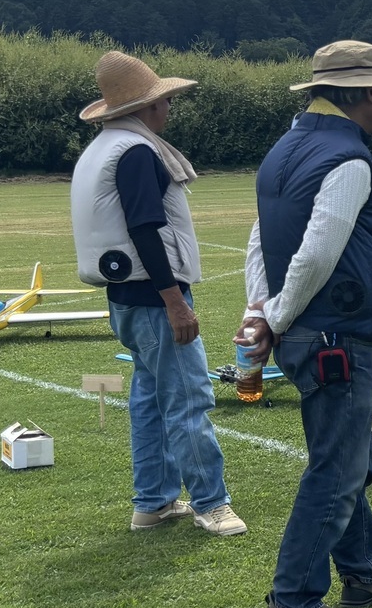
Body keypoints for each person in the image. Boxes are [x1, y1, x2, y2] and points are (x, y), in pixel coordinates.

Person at [242, 40, 372, 608]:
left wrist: (261, 310)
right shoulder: (351, 160)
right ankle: (293, 602)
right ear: (364, 93)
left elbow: (261, 239)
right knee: (337, 469)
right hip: (333, 335)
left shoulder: (283, 150)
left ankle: (362, 571)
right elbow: (317, 252)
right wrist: (277, 316)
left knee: (350, 457)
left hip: (304, 332)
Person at [70, 52, 246, 536]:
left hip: (125, 299)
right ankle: (211, 503)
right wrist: (174, 300)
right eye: (165, 101)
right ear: (147, 107)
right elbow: (145, 227)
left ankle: (154, 501)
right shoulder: (137, 152)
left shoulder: (104, 147)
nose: (169, 108)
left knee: (148, 401)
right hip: (153, 299)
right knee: (188, 399)